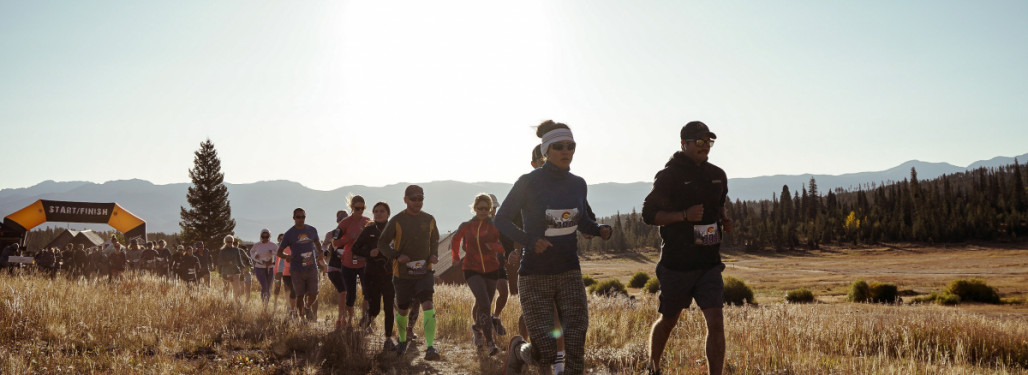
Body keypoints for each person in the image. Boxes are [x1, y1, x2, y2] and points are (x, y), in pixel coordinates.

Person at [496, 120, 612, 375]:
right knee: (545, 352)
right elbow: (501, 219)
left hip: (569, 271)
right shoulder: (528, 182)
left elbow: (581, 220)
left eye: (571, 146)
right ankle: (517, 349)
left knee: (575, 341)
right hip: (535, 275)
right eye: (559, 146)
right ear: (546, 150)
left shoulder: (578, 183)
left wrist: (599, 229)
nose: (566, 150)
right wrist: (529, 241)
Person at [641, 121, 733, 375]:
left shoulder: (718, 174)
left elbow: (720, 203)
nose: (705, 147)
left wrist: (725, 219)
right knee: (669, 320)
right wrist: (683, 215)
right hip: (677, 265)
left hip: (709, 264)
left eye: (709, 142)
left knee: (716, 321)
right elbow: (648, 214)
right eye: (700, 142)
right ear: (684, 144)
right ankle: (653, 366)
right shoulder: (669, 176)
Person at [379, 185, 442, 361]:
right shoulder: (397, 220)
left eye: (420, 198)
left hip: (425, 271)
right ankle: (402, 340)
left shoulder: (429, 219)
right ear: (405, 199)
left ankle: (430, 347)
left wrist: (434, 254)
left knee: (428, 304)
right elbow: (382, 244)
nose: (417, 202)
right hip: (403, 274)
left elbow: (434, 239)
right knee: (403, 309)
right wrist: (397, 256)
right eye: (413, 198)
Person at [451, 193, 506, 355]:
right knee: (485, 304)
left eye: (486, 208)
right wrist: (455, 258)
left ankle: (476, 328)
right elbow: (455, 240)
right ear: (474, 208)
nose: (483, 211)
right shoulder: (467, 225)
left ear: (490, 209)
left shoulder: (496, 226)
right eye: (480, 208)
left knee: (486, 304)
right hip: (471, 269)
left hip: (491, 269)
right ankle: (490, 343)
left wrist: (493, 247)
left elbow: (504, 247)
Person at [277, 207, 326, 322]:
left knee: (314, 293)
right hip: (296, 269)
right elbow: (279, 252)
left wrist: (320, 252)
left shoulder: (312, 230)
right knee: (299, 295)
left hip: (311, 267)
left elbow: (317, 243)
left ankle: (307, 307)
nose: (301, 219)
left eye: (303, 217)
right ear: (293, 218)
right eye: (298, 217)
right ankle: (302, 318)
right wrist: (286, 257)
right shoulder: (289, 234)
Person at [331, 195, 371, 331]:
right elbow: (335, 242)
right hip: (348, 263)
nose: (359, 211)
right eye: (356, 208)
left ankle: (365, 320)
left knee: (368, 293)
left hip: (364, 262)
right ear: (351, 208)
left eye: (362, 208)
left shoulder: (368, 221)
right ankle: (348, 321)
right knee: (351, 295)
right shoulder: (344, 223)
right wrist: (348, 238)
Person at [251, 229, 279, 306]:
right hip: (259, 267)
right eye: (263, 236)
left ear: (269, 236)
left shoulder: (273, 245)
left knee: (268, 286)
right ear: (261, 236)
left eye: (267, 236)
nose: (265, 238)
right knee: (264, 285)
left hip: (270, 267)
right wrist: (255, 256)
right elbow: (252, 252)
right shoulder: (257, 245)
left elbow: (279, 253)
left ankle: (266, 304)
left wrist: (272, 252)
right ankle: (264, 304)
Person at [217, 235, 247, 303]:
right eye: (228, 242)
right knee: (226, 287)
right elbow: (220, 261)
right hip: (226, 271)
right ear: (225, 242)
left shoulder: (236, 250)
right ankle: (225, 301)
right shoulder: (222, 251)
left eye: (231, 242)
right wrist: (227, 263)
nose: (230, 243)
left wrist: (243, 267)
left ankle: (237, 301)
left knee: (236, 287)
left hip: (235, 270)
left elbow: (239, 260)